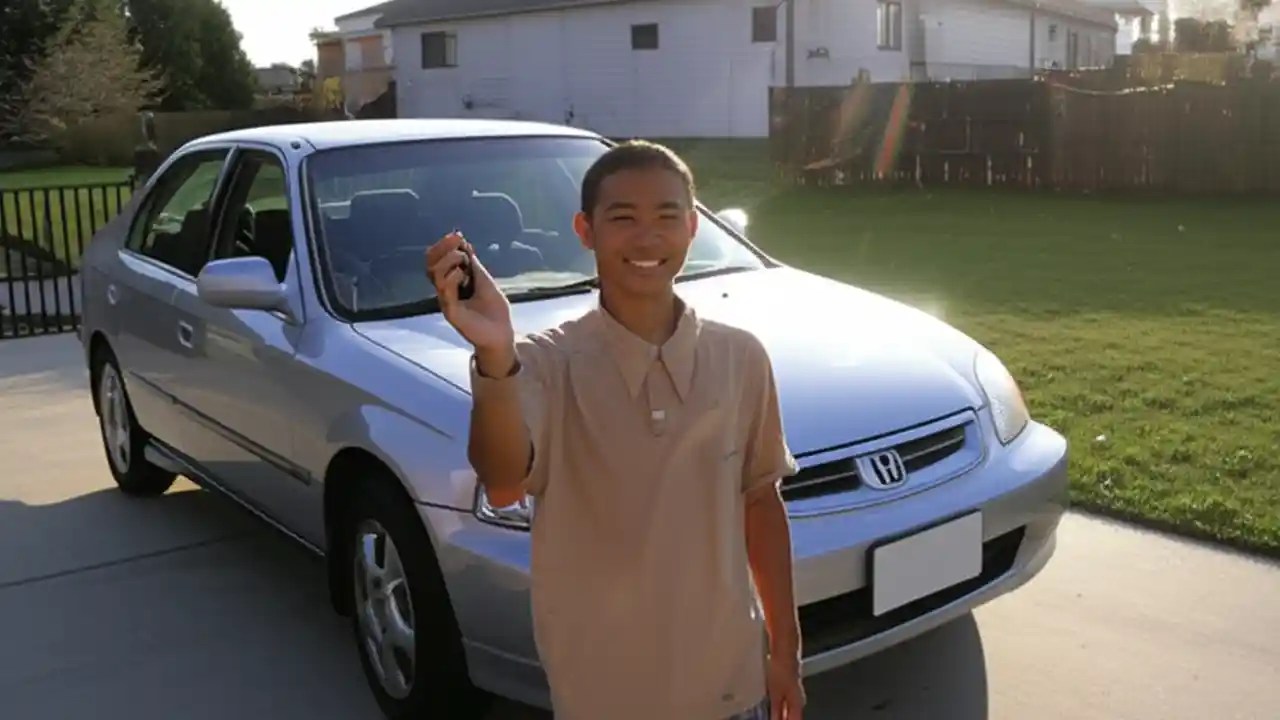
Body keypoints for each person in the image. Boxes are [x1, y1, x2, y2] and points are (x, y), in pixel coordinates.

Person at [424, 140, 805, 720]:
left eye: (666, 217)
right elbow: (502, 482)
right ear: (586, 229)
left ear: (693, 226)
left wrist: (786, 652)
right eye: (622, 218)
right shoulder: (547, 364)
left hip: (731, 683)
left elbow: (760, 502)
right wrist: (496, 354)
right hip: (604, 693)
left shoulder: (740, 357)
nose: (646, 238)